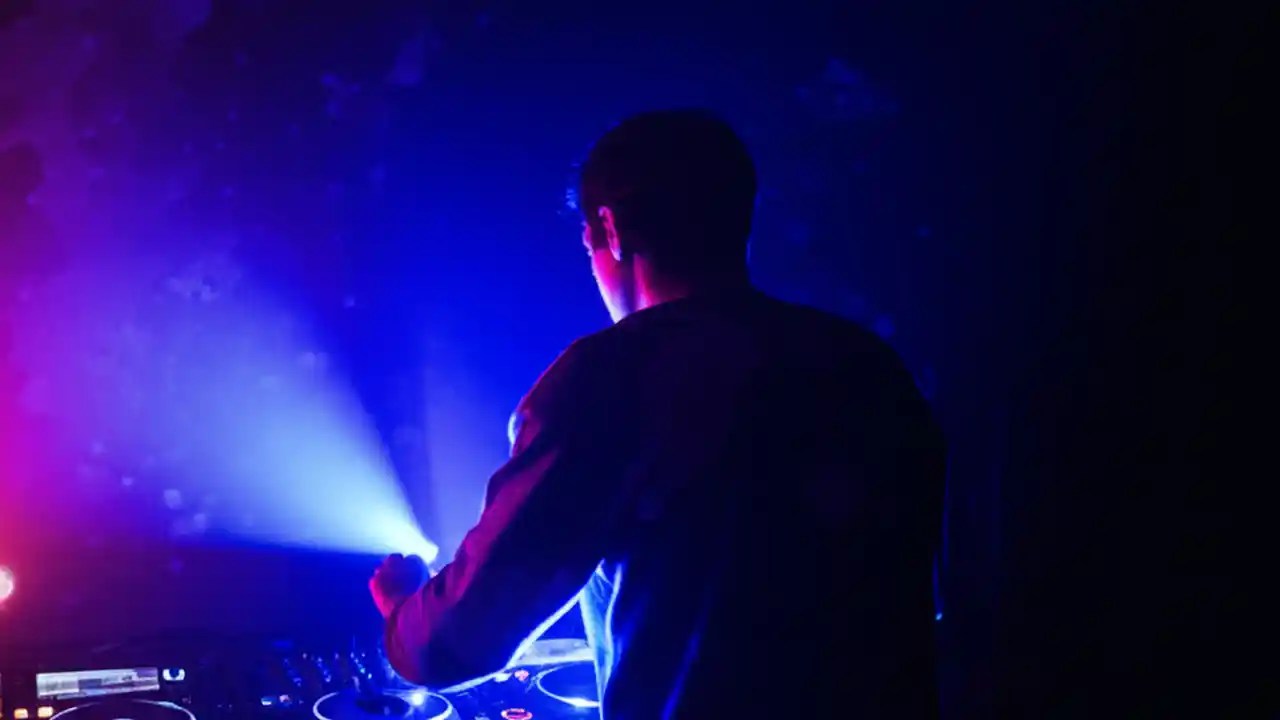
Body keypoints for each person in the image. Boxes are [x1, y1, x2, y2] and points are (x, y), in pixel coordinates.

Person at [370, 109, 946, 718]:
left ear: (612, 231)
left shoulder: (613, 377)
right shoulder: (867, 365)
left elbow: (455, 644)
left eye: (588, 245)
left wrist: (403, 609)